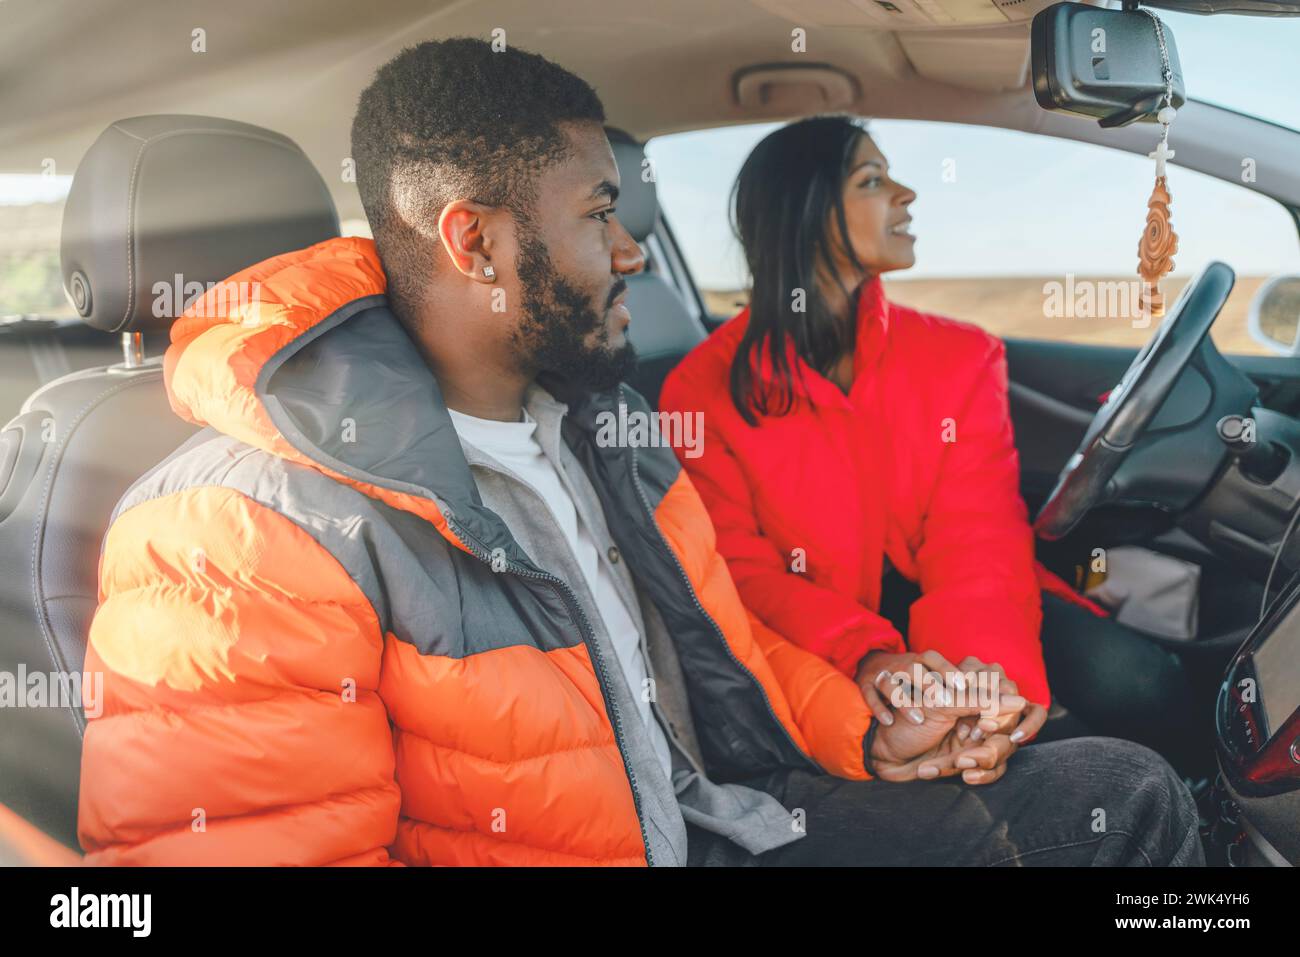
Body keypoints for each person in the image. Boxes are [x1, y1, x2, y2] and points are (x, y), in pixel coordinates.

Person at [76, 41, 1203, 866]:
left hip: (720, 818)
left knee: (1127, 797)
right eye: (599, 215)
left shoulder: (600, 437)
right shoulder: (235, 531)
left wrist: (872, 725)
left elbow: (731, 668)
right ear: (475, 242)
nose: (629, 254)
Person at [657, 114, 1206, 776]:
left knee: (1137, 680)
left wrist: (982, 678)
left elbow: (976, 535)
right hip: (819, 635)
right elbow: (740, 572)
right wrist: (868, 654)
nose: (907, 195)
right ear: (803, 211)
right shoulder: (702, 387)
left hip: (967, 606)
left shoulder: (959, 356)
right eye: (872, 179)